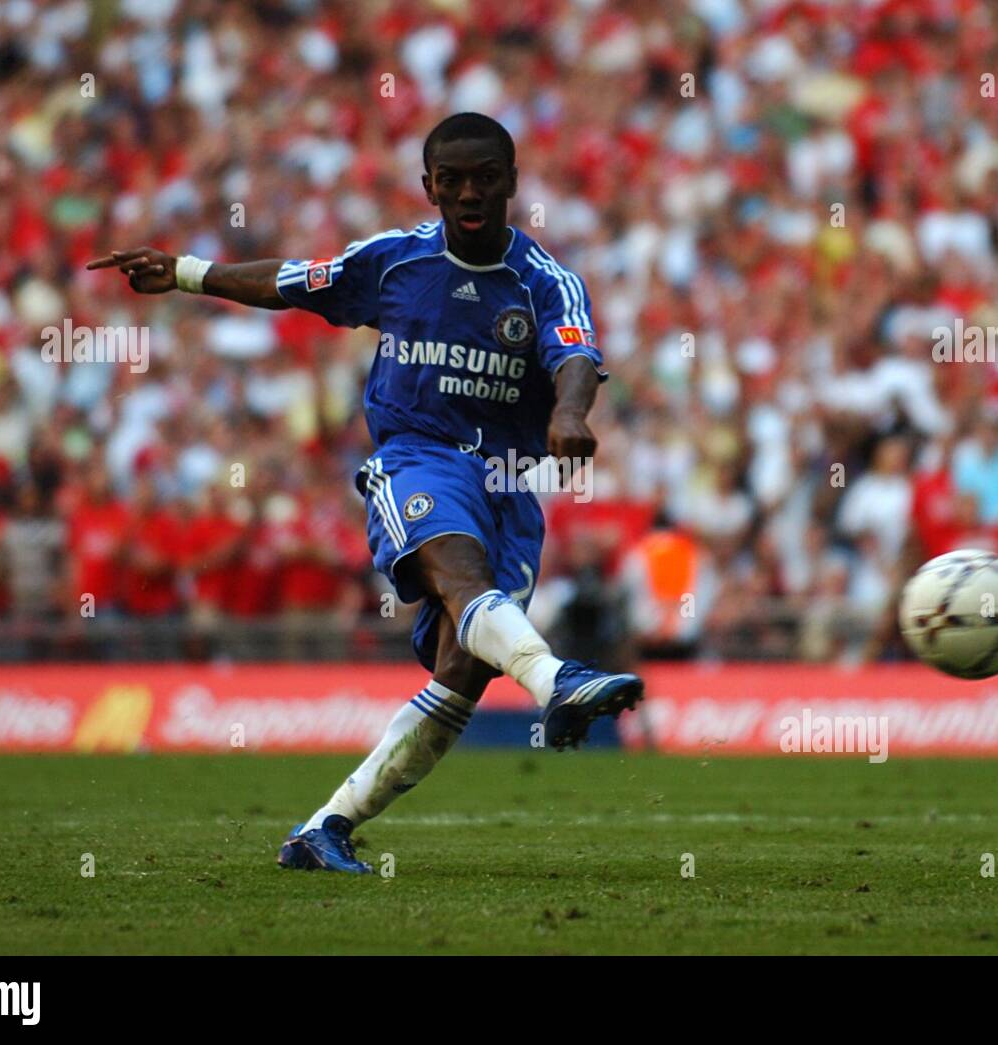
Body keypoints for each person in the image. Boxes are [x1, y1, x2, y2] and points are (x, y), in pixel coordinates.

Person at [87, 112, 644, 874]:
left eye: (486, 177)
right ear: (430, 186)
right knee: (463, 578)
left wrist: (571, 410)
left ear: (513, 183)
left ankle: (325, 828)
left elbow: (576, 357)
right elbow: (291, 283)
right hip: (416, 456)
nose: (469, 192)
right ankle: (557, 678)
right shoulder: (393, 262)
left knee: (465, 668)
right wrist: (184, 271)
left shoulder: (545, 282)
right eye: (452, 180)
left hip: (508, 487)